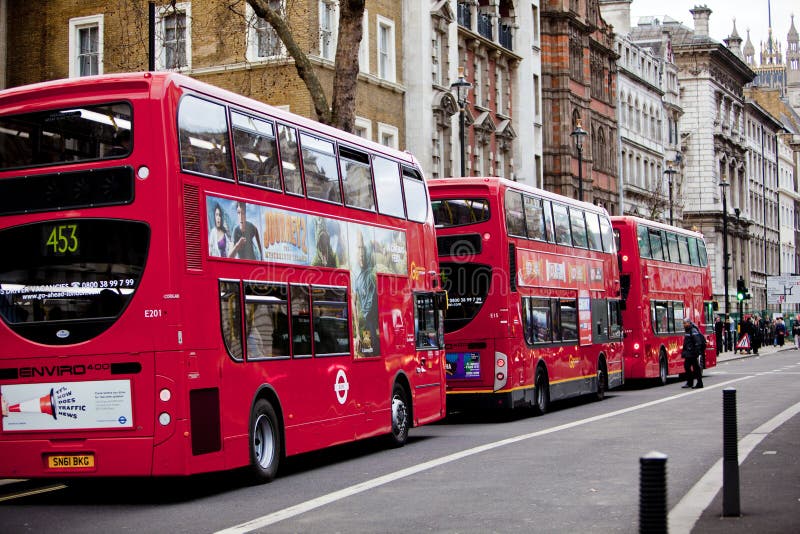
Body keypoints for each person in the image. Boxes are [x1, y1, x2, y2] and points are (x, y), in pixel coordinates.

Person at [681, 318, 705, 389]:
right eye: (683, 323)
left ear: (689, 323)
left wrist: (697, 352)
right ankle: (691, 382)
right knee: (688, 367)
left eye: (685, 323)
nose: (684, 325)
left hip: (693, 353)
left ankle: (698, 383)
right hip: (689, 352)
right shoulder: (688, 330)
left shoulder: (693, 330)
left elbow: (697, 342)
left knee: (695, 368)